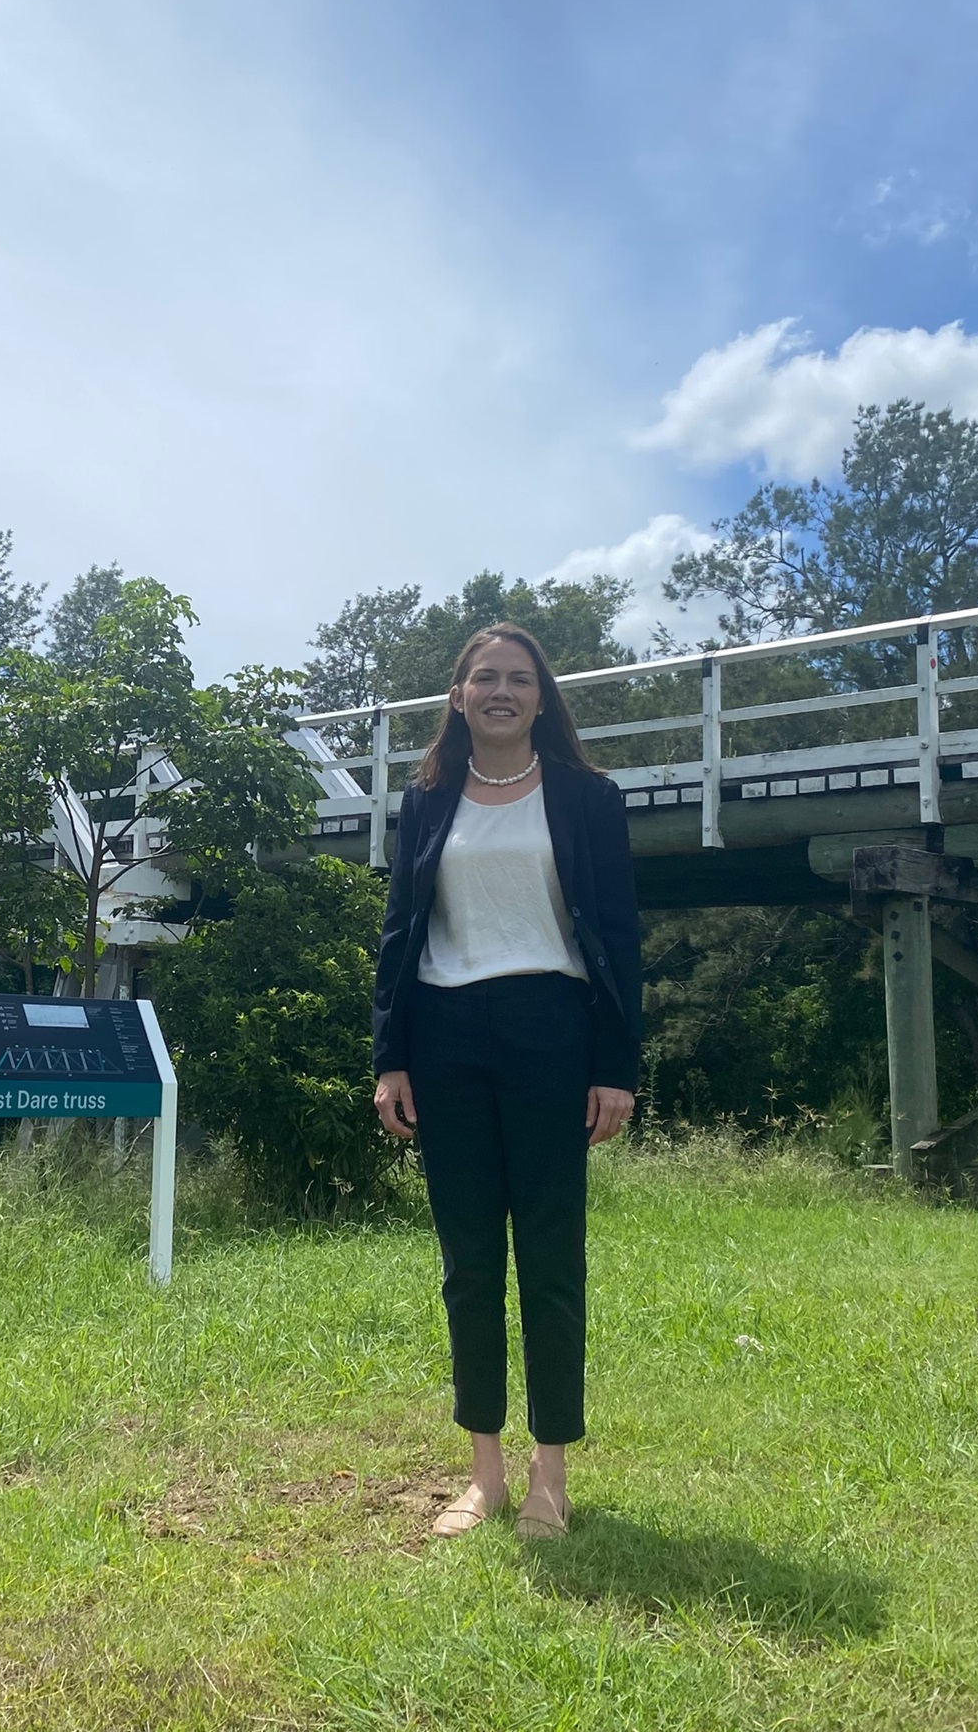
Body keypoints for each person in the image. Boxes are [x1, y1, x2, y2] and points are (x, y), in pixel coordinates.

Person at [372, 622, 642, 1542]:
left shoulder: (588, 799)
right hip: (445, 1035)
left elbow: (618, 937)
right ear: (457, 696)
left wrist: (614, 1066)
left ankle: (550, 1474)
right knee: (469, 1260)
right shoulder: (427, 801)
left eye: (519, 679)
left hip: (551, 1031)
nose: (500, 691)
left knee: (552, 1259)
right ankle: (483, 1472)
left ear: (541, 697)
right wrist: (391, 1057)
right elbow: (401, 933)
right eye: (484, 677)